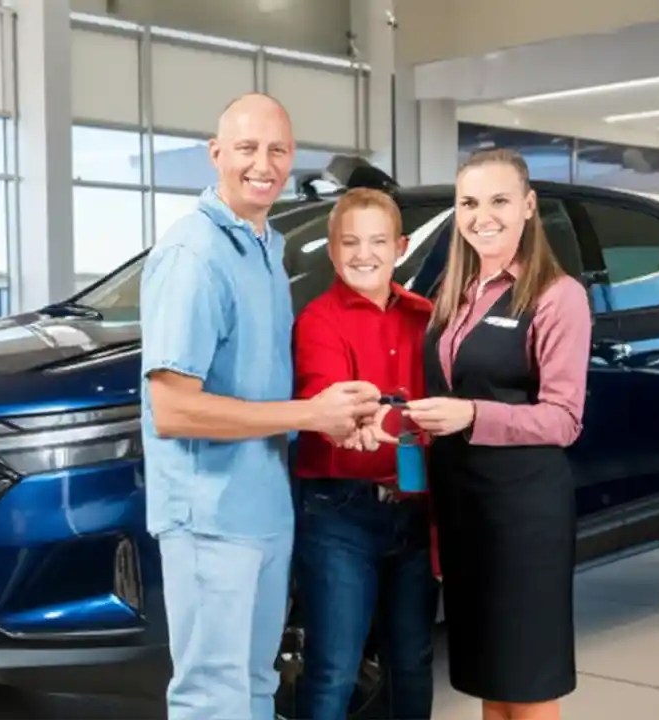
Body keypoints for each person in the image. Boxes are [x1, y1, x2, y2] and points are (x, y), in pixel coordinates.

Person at [139, 93, 382, 720]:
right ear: (215, 155)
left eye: (277, 150)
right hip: (210, 517)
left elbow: (263, 384)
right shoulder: (195, 255)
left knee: (254, 687)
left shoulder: (265, 247)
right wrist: (309, 415)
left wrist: (338, 418)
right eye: (246, 148)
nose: (262, 164)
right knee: (211, 696)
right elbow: (173, 409)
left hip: (264, 508)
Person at [402, 147, 591, 720]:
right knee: (491, 674)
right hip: (465, 510)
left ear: (529, 207)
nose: (483, 216)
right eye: (469, 202)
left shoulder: (559, 297)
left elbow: (565, 418)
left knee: (528, 680)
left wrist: (473, 415)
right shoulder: (455, 297)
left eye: (499, 201)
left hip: (524, 514)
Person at [290, 188, 440, 720]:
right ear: (332, 250)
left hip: (415, 509)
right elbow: (331, 404)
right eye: (350, 242)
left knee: (413, 660)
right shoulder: (318, 320)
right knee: (334, 664)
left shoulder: (425, 318)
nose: (363, 254)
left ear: (400, 247)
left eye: (378, 241)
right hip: (339, 513)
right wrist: (360, 419)